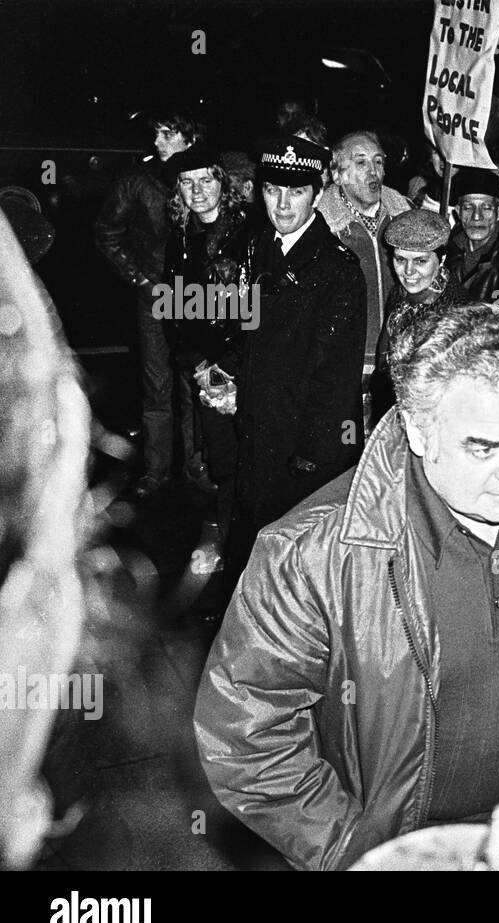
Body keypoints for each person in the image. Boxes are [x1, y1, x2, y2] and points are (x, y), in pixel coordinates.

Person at [194, 305, 499, 871]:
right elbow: (245, 738)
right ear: (419, 432)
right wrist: (359, 851)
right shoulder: (312, 556)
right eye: (484, 448)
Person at [223, 135, 367, 580]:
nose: (283, 204)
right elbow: (244, 327)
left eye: (297, 191)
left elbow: (336, 379)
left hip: (300, 448)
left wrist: (312, 456)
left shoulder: (337, 269)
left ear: (318, 194)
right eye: (273, 190)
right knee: (251, 542)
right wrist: (226, 373)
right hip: (256, 429)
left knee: (292, 567)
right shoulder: (257, 246)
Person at [94, 108, 204, 498]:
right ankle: (156, 472)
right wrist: (137, 275)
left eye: (166, 134)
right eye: (155, 135)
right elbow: (108, 231)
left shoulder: (208, 177)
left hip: (198, 298)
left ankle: (198, 467)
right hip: (156, 293)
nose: (156, 143)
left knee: (197, 383)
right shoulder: (138, 182)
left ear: (188, 138)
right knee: (157, 385)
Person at [161, 144, 248, 554]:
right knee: (223, 461)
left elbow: (257, 312)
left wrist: (226, 367)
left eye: (206, 180)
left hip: (244, 369)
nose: (197, 191)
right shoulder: (179, 239)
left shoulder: (249, 233)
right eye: (186, 182)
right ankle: (230, 548)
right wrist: (199, 365)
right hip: (206, 371)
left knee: (249, 463)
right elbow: (172, 311)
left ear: (222, 182)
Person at [316, 130, 412, 424]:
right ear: (338, 174)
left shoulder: (403, 213)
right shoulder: (321, 224)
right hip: (344, 364)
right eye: (361, 163)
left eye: (379, 162)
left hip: (397, 360)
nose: (374, 172)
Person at [370, 208, 466, 425]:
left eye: (420, 261)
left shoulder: (457, 313)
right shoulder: (400, 293)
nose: (408, 272)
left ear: (442, 258)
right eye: (400, 259)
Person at [445, 167, 499, 306]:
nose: (476, 216)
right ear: (458, 212)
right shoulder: (447, 249)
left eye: (486, 208)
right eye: (468, 207)